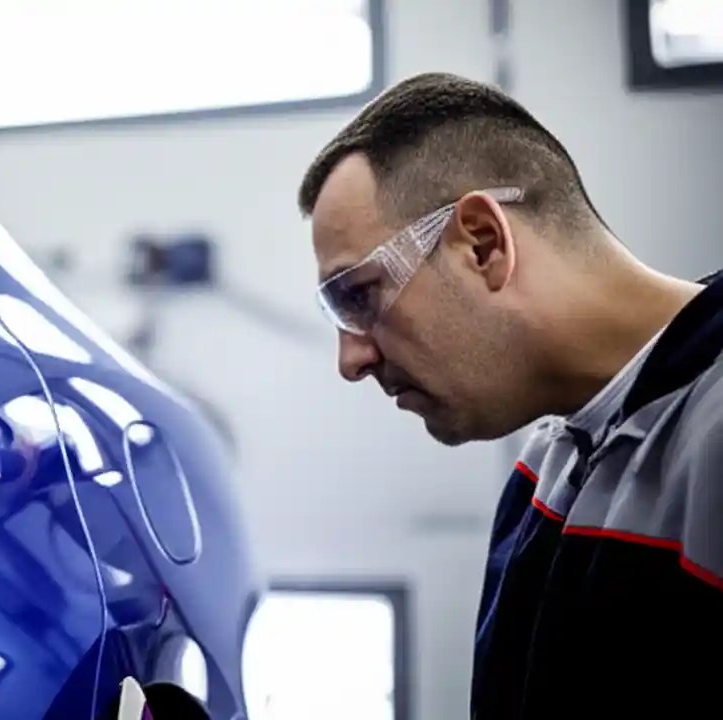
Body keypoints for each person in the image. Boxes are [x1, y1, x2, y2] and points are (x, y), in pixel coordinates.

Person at [298, 72, 723, 718]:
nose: (351, 360)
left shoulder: (712, 440)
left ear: (483, 243)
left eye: (359, 296)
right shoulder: (546, 470)